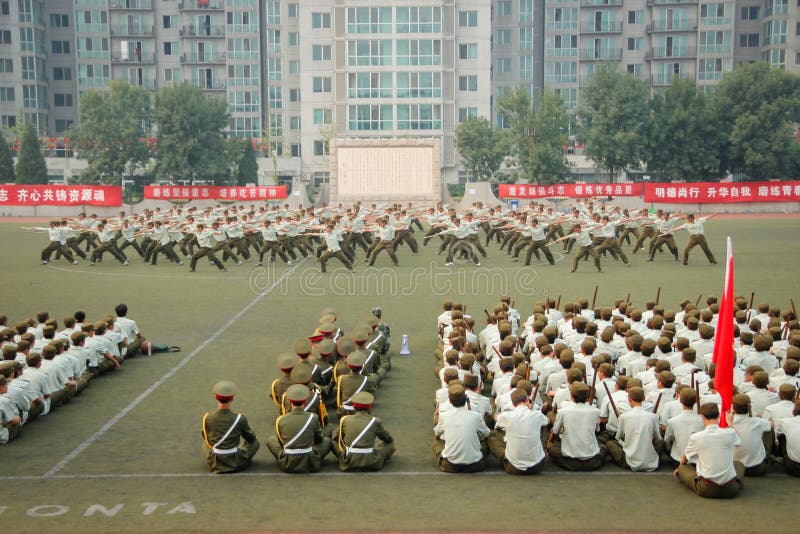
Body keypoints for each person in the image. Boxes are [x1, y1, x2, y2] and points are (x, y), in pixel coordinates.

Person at [674, 403, 745, 498]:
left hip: (706, 488)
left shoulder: (696, 437)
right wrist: (730, 424)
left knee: (682, 467)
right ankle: (736, 482)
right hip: (730, 489)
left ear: (702, 417)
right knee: (739, 464)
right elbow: (738, 441)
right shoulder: (729, 432)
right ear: (719, 416)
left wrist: (680, 468)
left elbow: (684, 460)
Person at [266, 384, 332, 473]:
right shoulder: (313, 417)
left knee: (271, 440)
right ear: (305, 402)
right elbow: (319, 439)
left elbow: (281, 442)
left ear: (290, 402)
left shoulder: (281, 420)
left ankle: (282, 459)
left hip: (287, 462)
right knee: (327, 440)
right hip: (309, 461)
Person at [201, 381, 259, 474]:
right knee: (255, 443)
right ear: (231, 399)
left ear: (216, 397)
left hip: (215, 462)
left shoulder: (207, 418)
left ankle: (215, 463)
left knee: (204, 444)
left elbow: (206, 438)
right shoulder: (239, 418)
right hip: (235, 461)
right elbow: (251, 438)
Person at [489, 387, 549, 474]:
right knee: (544, 428)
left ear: (513, 404)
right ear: (527, 399)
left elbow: (496, 417)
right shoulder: (537, 415)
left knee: (492, 437)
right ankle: (543, 451)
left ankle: (507, 457)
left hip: (514, 468)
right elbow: (548, 421)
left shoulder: (507, 416)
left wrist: (498, 413)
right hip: (537, 466)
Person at [547, 382, 606, 471]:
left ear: (571, 395)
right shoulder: (595, 411)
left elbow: (555, 432)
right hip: (592, 461)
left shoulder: (563, 411)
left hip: (570, 461)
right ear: (586, 397)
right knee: (603, 447)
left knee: (552, 447)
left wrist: (549, 443)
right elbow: (597, 430)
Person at [433, 384, 490, 472]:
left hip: (450, 466)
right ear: (466, 398)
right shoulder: (476, 415)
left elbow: (437, 433)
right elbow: (486, 433)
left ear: (450, 401)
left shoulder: (444, 416)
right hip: (475, 465)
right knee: (487, 441)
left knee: (436, 441)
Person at [332, 391, 394, 471]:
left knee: (332, 440)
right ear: (369, 407)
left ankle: (343, 458)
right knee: (389, 444)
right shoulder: (375, 421)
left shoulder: (345, 420)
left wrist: (342, 452)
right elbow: (387, 438)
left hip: (349, 460)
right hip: (370, 461)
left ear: (354, 407)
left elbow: (337, 439)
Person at [607, 387, 663, 471]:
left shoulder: (623, 417)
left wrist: (627, 442)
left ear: (629, 399)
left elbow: (618, 437)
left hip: (630, 462)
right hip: (651, 462)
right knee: (661, 442)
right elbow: (659, 438)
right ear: (644, 398)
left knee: (610, 443)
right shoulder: (653, 416)